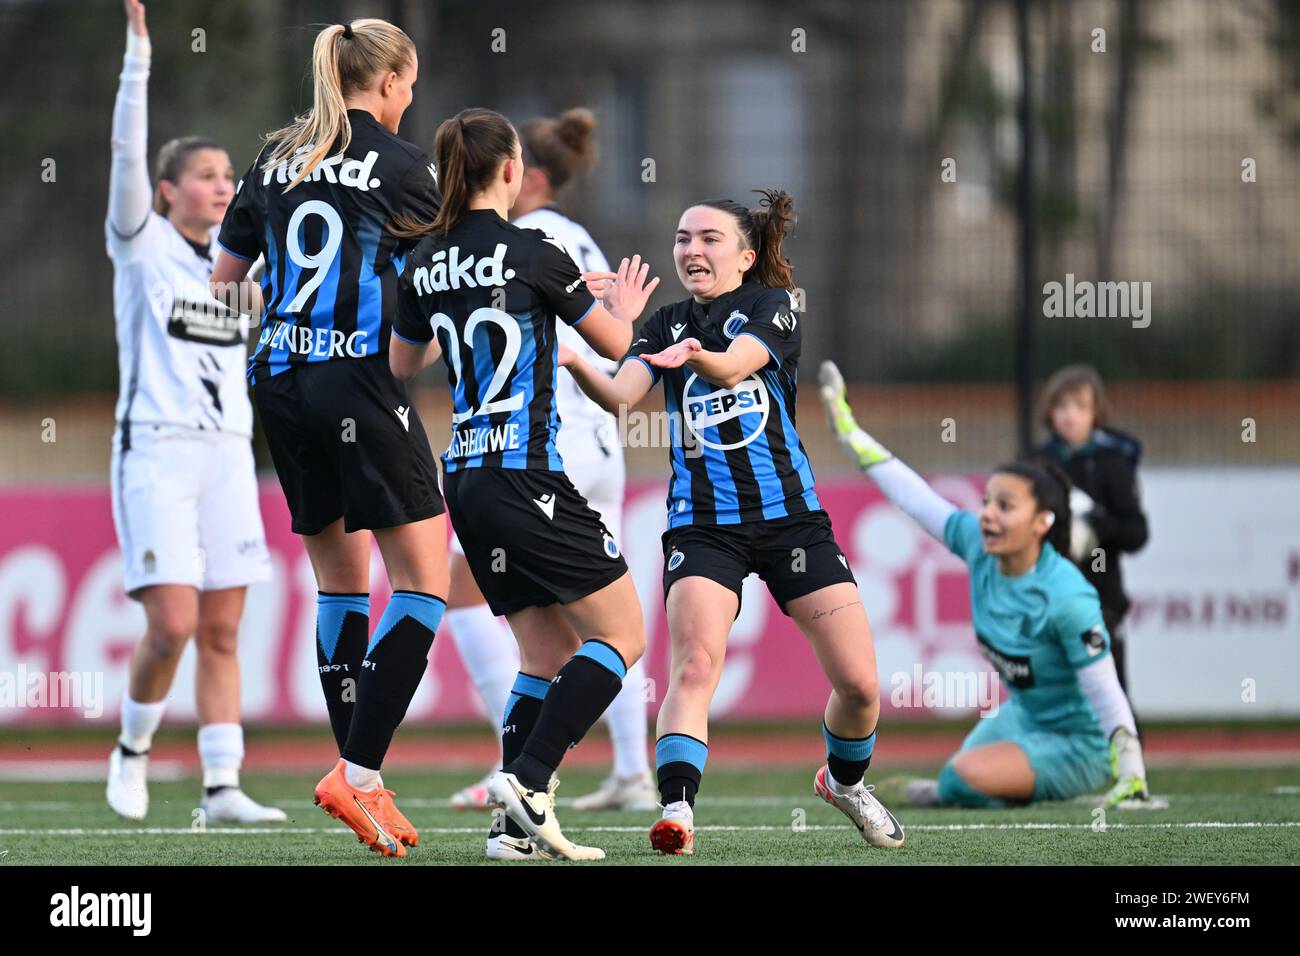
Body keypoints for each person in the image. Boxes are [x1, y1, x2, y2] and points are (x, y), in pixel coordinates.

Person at [559, 191, 904, 855]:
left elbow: (734, 366)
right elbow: (622, 397)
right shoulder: (660, 324)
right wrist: (583, 351)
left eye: (710, 239)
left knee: (859, 685)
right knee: (693, 668)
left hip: (792, 526)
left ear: (746, 257)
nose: (692, 250)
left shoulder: (772, 307)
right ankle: (677, 811)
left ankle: (842, 781)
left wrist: (688, 356)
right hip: (703, 528)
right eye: (684, 238)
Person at [390, 108, 655, 862]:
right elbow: (615, 347)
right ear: (512, 171)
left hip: (466, 476)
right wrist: (621, 309)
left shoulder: (425, 261)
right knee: (621, 636)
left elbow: (401, 369)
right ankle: (532, 781)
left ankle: (510, 828)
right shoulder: (537, 251)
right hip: (529, 470)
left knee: (540, 657)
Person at [210, 19, 446, 858]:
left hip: (279, 379)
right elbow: (442, 282)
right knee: (422, 586)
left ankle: (363, 785)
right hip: (359, 380)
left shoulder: (275, 157)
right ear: (387, 82)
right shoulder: (409, 165)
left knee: (342, 589)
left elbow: (225, 281)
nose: (411, 97)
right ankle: (360, 771)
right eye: (408, 83)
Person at [818, 360, 1150, 808]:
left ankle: (1031, 785)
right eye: (988, 500)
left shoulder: (1067, 595)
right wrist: (850, 434)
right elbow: (916, 498)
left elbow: (1106, 690)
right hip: (1024, 715)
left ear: (1041, 523)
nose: (988, 513)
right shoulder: (978, 540)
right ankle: (990, 787)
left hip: (1078, 743)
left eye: (1005, 506)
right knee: (964, 772)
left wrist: (1131, 772)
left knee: (960, 778)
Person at [104, 0, 281, 825]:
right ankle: (132, 750)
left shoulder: (240, 270)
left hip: (227, 452)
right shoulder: (140, 242)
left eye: (229, 177)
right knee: (170, 624)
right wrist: (138, 60)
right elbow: (124, 153)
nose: (222, 186)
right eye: (206, 175)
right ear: (169, 189)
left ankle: (221, 788)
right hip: (159, 450)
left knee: (221, 627)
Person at [1034, 365, 1148, 722]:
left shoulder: (1113, 464)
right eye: (1062, 406)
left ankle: (1130, 765)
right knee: (1048, 692)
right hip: (1046, 596)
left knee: (1110, 689)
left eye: (1080, 407)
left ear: (1096, 413)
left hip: (1101, 597)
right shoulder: (1036, 463)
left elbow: (1136, 532)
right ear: (1049, 412)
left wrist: (1096, 523)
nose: (1070, 415)